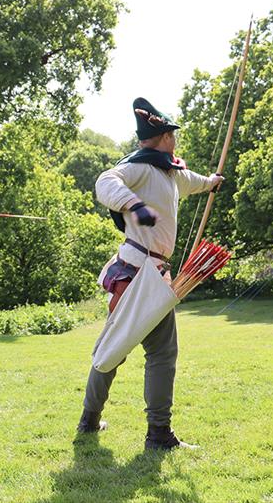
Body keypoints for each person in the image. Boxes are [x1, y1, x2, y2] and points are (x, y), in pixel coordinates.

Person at [77, 97, 224, 450]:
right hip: (138, 272)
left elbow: (194, 181)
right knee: (135, 350)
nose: (176, 139)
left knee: (130, 348)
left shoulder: (169, 173)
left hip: (151, 272)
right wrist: (134, 204)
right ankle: (153, 434)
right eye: (172, 134)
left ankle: (95, 422)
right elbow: (105, 182)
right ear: (164, 137)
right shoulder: (141, 169)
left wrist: (212, 182)